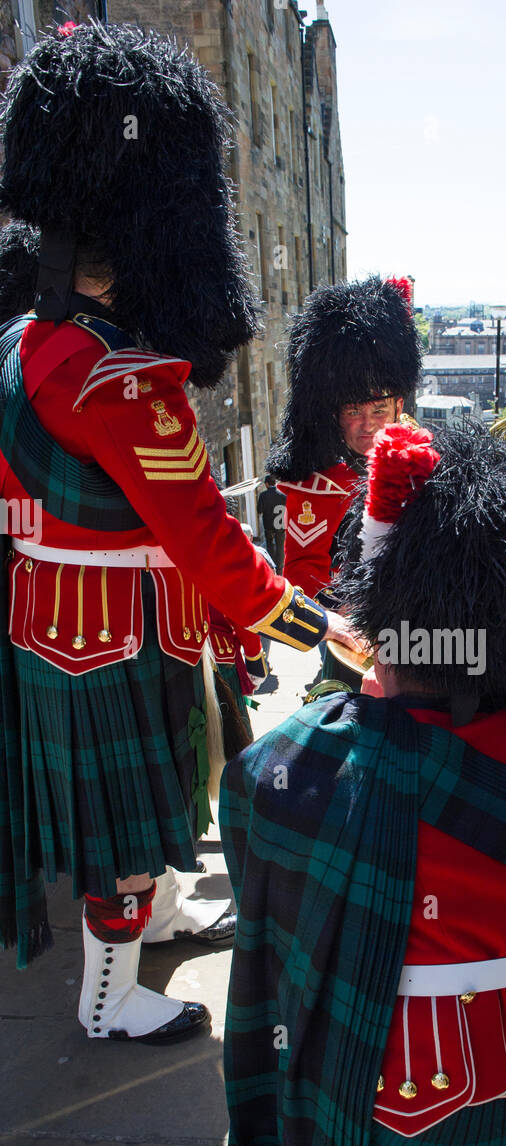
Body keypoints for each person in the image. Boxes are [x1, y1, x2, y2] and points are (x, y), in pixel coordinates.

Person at [0, 21, 356, 1043]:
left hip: (49, 625)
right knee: (130, 818)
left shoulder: (23, 345)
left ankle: (156, 919)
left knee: (147, 813)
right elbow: (209, 544)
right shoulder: (123, 383)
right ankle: (106, 999)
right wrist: (314, 627)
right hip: (124, 635)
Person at [196, 421, 506, 1146]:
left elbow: (262, 870)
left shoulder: (294, 761)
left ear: (384, 615)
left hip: (382, 1088)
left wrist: (372, 679)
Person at [268, 274, 422, 606]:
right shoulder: (318, 487)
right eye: (354, 410)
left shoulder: (424, 462)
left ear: (399, 406)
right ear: (337, 413)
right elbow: (302, 574)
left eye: (379, 409)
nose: (367, 424)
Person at [256, 473, 284, 570]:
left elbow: (259, 510)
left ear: (267, 484)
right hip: (280, 524)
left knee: (270, 545)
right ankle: (280, 568)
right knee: (280, 546)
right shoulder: (282, 495)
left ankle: (272, 566)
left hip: (268, 524)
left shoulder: (263, 495)